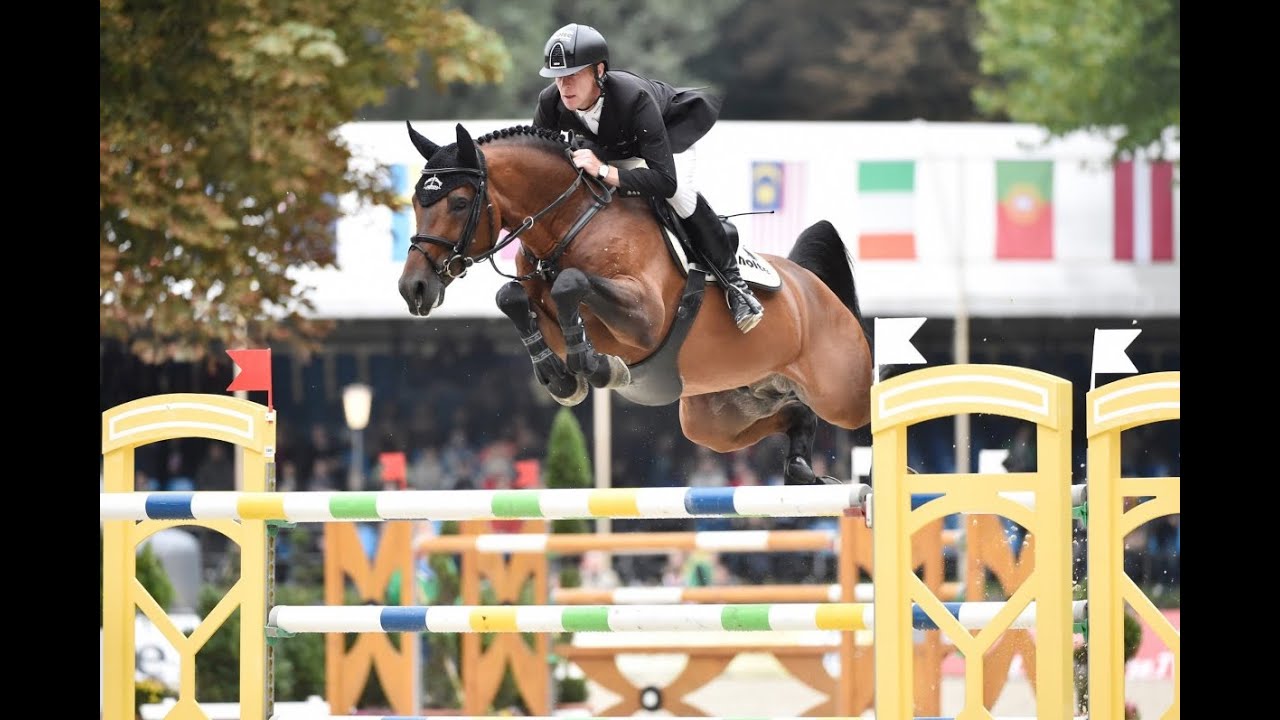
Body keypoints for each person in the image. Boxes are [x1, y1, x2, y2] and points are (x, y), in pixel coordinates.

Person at [532, 23, 764, 333]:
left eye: (573, 75)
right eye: (559, 77)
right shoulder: (550, 102)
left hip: (666, 141)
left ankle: (735, 286)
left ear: (599, 71)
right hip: (610, 150)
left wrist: (603, 171)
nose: (564, 85)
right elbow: (537, 162)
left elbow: (663, 180)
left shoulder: (633, 97)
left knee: (679, 194)